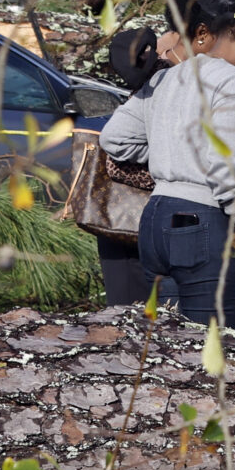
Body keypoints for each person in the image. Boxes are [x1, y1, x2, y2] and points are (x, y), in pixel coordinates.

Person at [100, 0, 235, 328]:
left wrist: (167, 151)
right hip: (203, 221)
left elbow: (114, 139)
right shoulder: (233, 80)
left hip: (154, 220)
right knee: (217, 344)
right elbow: (225, 165)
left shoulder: (165, 78)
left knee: (173, 347)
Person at [92, 23, 171, 306]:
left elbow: (113, 142)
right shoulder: (167, 81)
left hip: (126, 221)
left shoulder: (150, 88)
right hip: (143, 216)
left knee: (128, 303)